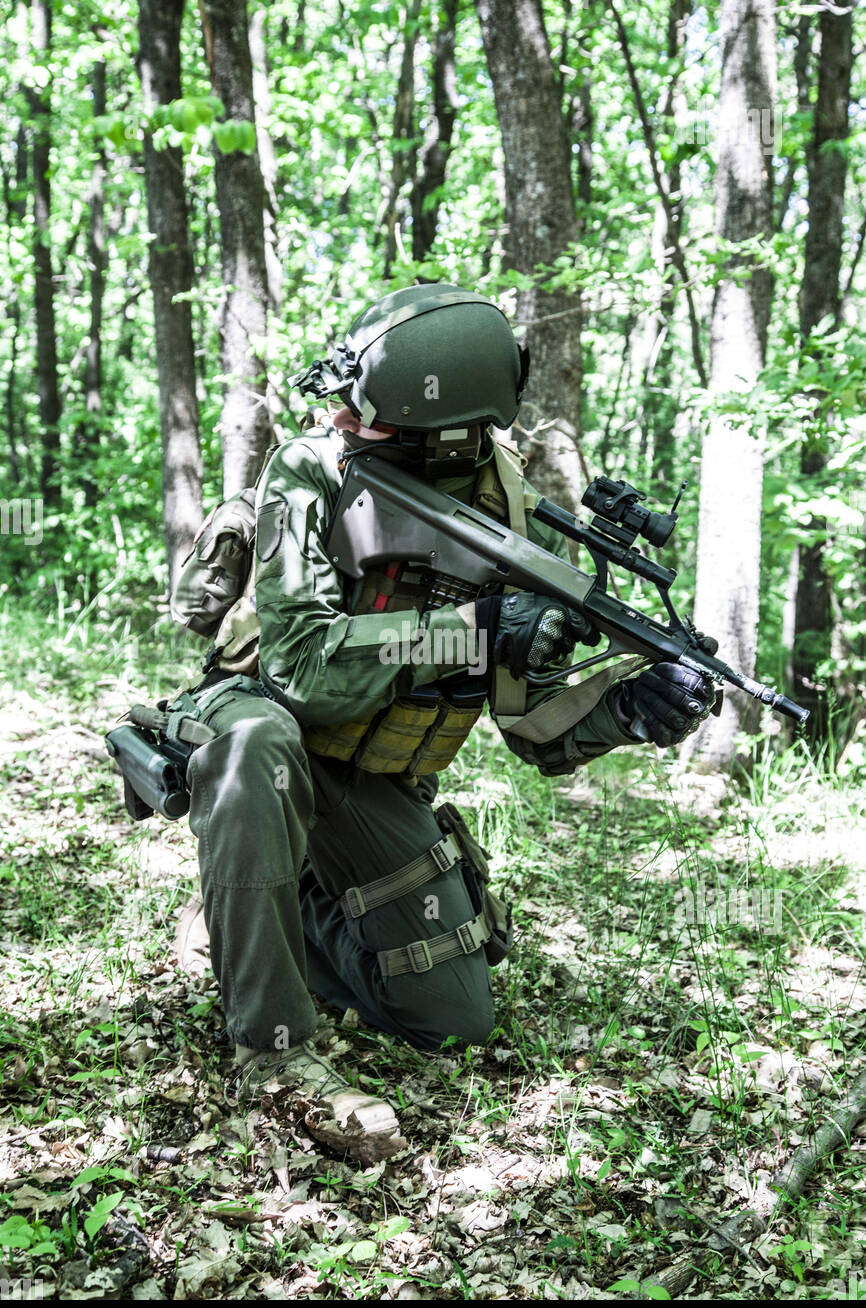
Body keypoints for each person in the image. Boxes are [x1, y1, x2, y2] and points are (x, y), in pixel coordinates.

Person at [179, 283, 714, 1162]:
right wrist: (467, 630)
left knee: (452, 1021)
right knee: (257, 747)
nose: (345, 421)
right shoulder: (313, 470)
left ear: (453, 433)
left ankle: (250, 912)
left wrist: (626, 706)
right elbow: (303, 668)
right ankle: (272, 1054)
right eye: (351, 405)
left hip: (373, 776)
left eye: (372, 418)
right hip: (265, 723)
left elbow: (531, 726)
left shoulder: (510, 512)